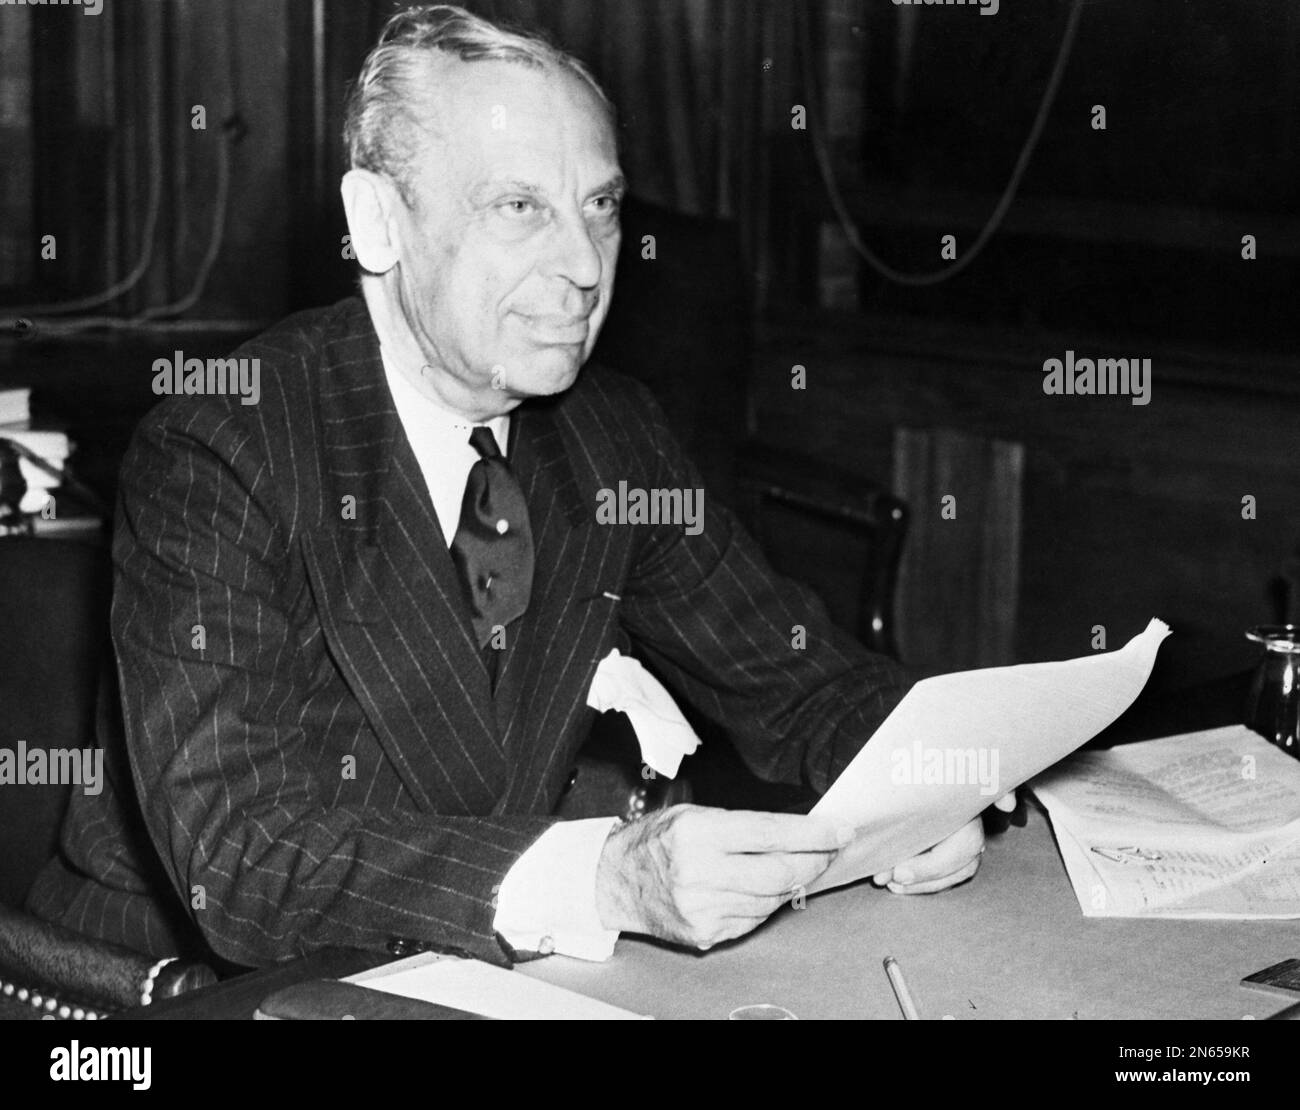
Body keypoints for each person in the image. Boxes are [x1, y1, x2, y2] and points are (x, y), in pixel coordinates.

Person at [28, 4, 1006, 969]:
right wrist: (603, 879)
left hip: (466, 964)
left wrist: (923, 775)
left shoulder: (610, 433)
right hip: (190, 989)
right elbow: (240, 862)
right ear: (378, 222)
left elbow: (794, 680)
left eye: (601, 206)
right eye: (519, 207)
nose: (584, 267)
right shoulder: (221, 448)